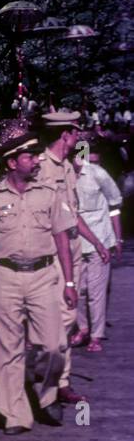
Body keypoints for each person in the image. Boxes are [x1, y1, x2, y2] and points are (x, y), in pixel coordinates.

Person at [0, 135, 77, 434]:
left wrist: (69, 281)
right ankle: (15, 414)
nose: (37, 161)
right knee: (8, 350)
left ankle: (48, 394)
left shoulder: (49, 194)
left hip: (43, 276)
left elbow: (62, 239)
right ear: (13, 163)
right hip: (6, 278)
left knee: (54, 346)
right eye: (30, 157)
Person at [35, 111, 106, 403]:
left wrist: (97, 242)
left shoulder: (67, 167)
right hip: (50, 254)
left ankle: (59, 381)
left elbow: (72, 215)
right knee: (50, 320)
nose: (79, 138)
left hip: (72, 252)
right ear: (65, 134)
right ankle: (44, 373)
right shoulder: (40, 168)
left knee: (66, 318)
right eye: (76, 133)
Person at [72, 148, 121, 352]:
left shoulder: (97, 174)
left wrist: (117, 238)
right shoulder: (61, 177)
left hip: (99, 239)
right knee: (77, 290)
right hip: (73, 242)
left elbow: (115, 204)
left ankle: (96, 335)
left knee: (96, 292)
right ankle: (82, 328)